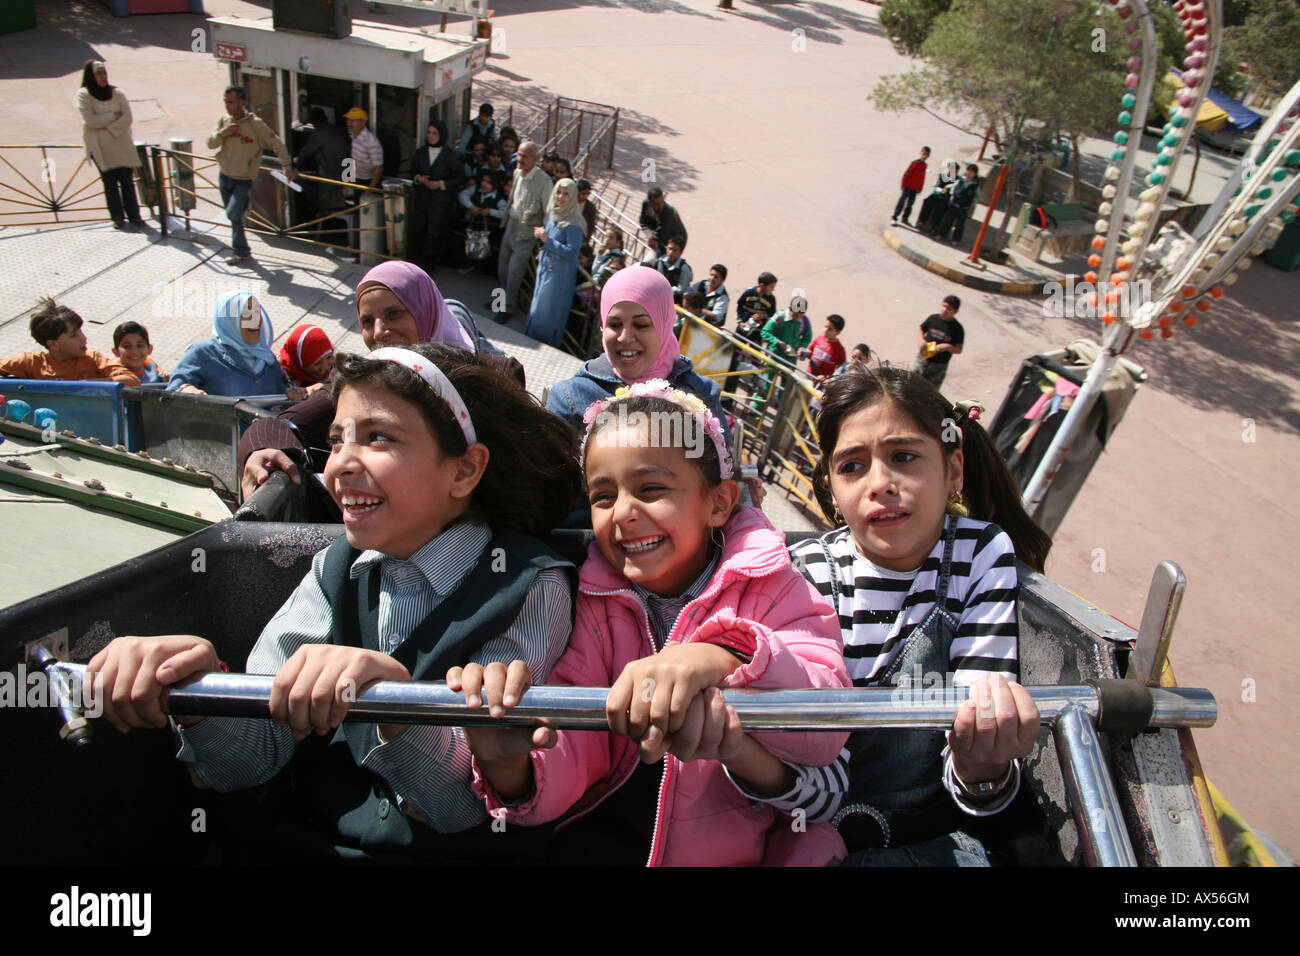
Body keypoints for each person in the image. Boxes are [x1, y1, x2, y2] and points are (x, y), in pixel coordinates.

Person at [87, 343, 585, 863]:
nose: (343, 463)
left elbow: (460, 802)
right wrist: (196, 690)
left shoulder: (528, 584)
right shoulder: (334, 568)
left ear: (464, 470)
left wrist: (392, 697)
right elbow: (246, 762)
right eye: (337, 440)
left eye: (379, 438)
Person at [449, 383, 851, 866]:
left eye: (651, 489)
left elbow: (826, 728)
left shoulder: (777, 586)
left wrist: (725, 654)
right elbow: (576, 753)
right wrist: (509, 766)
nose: (623, 512)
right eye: (602, 496)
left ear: (719, 503)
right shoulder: (594, 601)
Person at [787, 367, 1051, 866]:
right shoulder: (809, 569)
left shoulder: (979, 552)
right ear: (832, 486)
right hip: (808, 822)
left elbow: (976, 765)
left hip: (931, 839)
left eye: (903, 457)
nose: (880, 484)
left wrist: (983, 767)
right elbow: (805, 757)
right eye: (852, 466)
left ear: (954, 470)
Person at [237, 262, 503, 511]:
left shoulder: (495, 377)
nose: (378, 332)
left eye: (394, 314)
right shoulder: (363, 380)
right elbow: (286, 423)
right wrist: (261, 450)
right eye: (367, 322)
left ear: (426, 309)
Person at [545, 267, 729, 445]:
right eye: (614, 324)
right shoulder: (570, 399)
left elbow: (723, 470)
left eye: (641, 324)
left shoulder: (702, 395)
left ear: (664, 325)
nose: (625, 337)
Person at [208, 86, 296, 266]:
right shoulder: (225, 120)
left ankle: (242, 215)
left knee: (233, 214)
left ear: (242, 102)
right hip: (224, 175)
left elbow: (276, 143)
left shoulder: (255, 125)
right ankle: (242, 251)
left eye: (231, 102)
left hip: (243, 179)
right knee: (234, 217)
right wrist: (224, 133)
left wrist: (287, 166)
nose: (228, 106)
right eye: (225, 101)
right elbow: (210, 143)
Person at [168, 292, 302, 399]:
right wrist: (187, 389)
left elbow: (281, 397)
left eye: (257, 313)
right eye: (246, 315)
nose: (255, 321)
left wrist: (294, 394)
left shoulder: (269, 360)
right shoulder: (204, 353)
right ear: (230, 320)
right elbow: (173, 391)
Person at [0, 298, 138, 384]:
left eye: (81, 331)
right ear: (53, 345)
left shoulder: (93, 359)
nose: (83, 338)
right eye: (74, 335)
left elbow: (132, 381)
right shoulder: (32, 362)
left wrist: (93, 383)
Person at [77, 60, 144, 229]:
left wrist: (106, 126)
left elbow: (127, 118)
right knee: (110, 183)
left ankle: (134, 216)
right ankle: (117, 217)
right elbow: (90, 120)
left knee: (127, 182)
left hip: (122, 146)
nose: (102, 77)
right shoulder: (84, 95)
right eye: (98, 73)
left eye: (104, 72)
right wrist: (113, 115)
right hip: (101, 148)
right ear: (91, 76)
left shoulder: (118, 93)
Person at [523, 177, 586, 349]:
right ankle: (530, 340)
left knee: (550, 312)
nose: (560, 197)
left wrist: (547, 239)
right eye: (558, 192)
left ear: (573, 196)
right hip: (546, 268)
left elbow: (572, 252)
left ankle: (546, 347)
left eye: (566, 194)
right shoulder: (554, 213)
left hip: (560, 274)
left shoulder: (574, 221)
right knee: (537, 306)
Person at [497, 141, 552, 316]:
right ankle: (499, 302)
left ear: (535, 159)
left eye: (525, 156)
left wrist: (543, 234)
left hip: (527, 231)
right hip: (511, 225)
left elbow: (548, 210)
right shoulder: (517, 173)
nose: (520, 159)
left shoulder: (543, 181)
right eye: (519, 155)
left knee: (515, 272)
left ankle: (508, 308)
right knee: (502, 267)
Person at [408, 119, 465, 273]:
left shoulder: (451, 156)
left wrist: (440, 184)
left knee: (435, 233)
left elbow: (460, 178)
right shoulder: (420, 153)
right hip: (422, 200)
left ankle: (429, 266)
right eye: (429, 132)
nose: (431, 136)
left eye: (435, 133)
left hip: (440, 203)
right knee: (419, 229)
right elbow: (412, 173)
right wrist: (419, 179)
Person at [295, 107, 351, 227]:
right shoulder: (334, 130)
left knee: (301, 180)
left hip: (334, 177)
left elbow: (305, 153)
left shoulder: (319, 133)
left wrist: (296, 161)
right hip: (346, 175)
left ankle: (319, 211)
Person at [913, 294, 965, 390]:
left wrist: (946, 346)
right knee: (911, 384)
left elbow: (959, 349)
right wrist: (921, 340)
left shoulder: (957, 328)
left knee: (930, 392)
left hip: (938, 367)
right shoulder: (933, 318)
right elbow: (921, 329)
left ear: (955, 312)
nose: (945, 310)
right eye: (944, 306)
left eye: (949, 308)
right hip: (922, 359)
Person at [279, 324, 335, 392]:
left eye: (328, 357)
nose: (325, 367)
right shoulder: (282, 382)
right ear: (299, 360)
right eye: (317, 363)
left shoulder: (336, 365)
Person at [761, 297, 813, 367]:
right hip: (775, 355)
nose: (798, 317)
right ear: (790, 308)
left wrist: (802, 347)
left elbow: (807, 337)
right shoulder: (780, 317)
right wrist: (777, 341)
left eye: (801, 314)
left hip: (791, 358)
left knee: (788, 377)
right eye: (796, 314)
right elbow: (765, 332)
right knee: (768, 376)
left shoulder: (805, 321)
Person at [936, 164, 981, 244]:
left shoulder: (975, 185)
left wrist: (973, 204)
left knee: (960, 224)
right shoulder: (961, 180)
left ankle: (956, 239)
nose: (969, 173)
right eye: (968, 170)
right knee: (948, 220)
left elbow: (977, 197)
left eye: (972, 171)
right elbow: (953, 186)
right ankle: (942, 234)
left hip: (964, 207)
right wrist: (952, 194)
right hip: (955, 203)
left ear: (975, 174)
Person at [735, 271, 777, 344]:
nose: (773, 290)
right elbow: (739, 307)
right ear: (762, 285)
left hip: (757, 332)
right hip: (743, 328)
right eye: (771, 287)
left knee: (754, 353)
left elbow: (772, 315)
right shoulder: (749, 293)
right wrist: (740, 321)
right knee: (735, 349)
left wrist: (764, 317)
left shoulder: (771, 299)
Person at [918, 159, 959, 234]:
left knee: (941, 207)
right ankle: (922, 220)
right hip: (938, 194)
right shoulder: (942, 176)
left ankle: (934, 226)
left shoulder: (957, 180)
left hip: (947, 197)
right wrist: (941, 190)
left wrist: (948, 189)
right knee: (928, 201)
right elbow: (936, 185)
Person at [892, 146, 930, 226]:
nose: (925, 156)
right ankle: (894, 217)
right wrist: (903, 185)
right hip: (908, 186)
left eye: (927, 154)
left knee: (910, 204)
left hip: (915, 188)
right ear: (920, 153)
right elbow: (907, 174)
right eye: (924, 153)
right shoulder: (915, 163)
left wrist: (920, 187)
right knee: (902, 202)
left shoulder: (924, 165)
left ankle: (905, 218)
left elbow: (922, 177)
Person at [807, 314, 846, 382]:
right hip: (809, 376)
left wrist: (829, 379)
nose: (825, 330)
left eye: (830, 329)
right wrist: (804, 353)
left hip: (822, 383)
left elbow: (840, 369)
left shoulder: (839, 349)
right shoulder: (818, 339)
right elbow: (809, 353)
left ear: (838, 332)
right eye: (825, 326)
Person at [654, 235, 693, 301]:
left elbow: (681, 289)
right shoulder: (660, 262)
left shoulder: (684, 268)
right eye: (670, 248)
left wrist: (665, 291)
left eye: (675, 250)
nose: (671, 252)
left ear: (681, 253)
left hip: (674, 300)